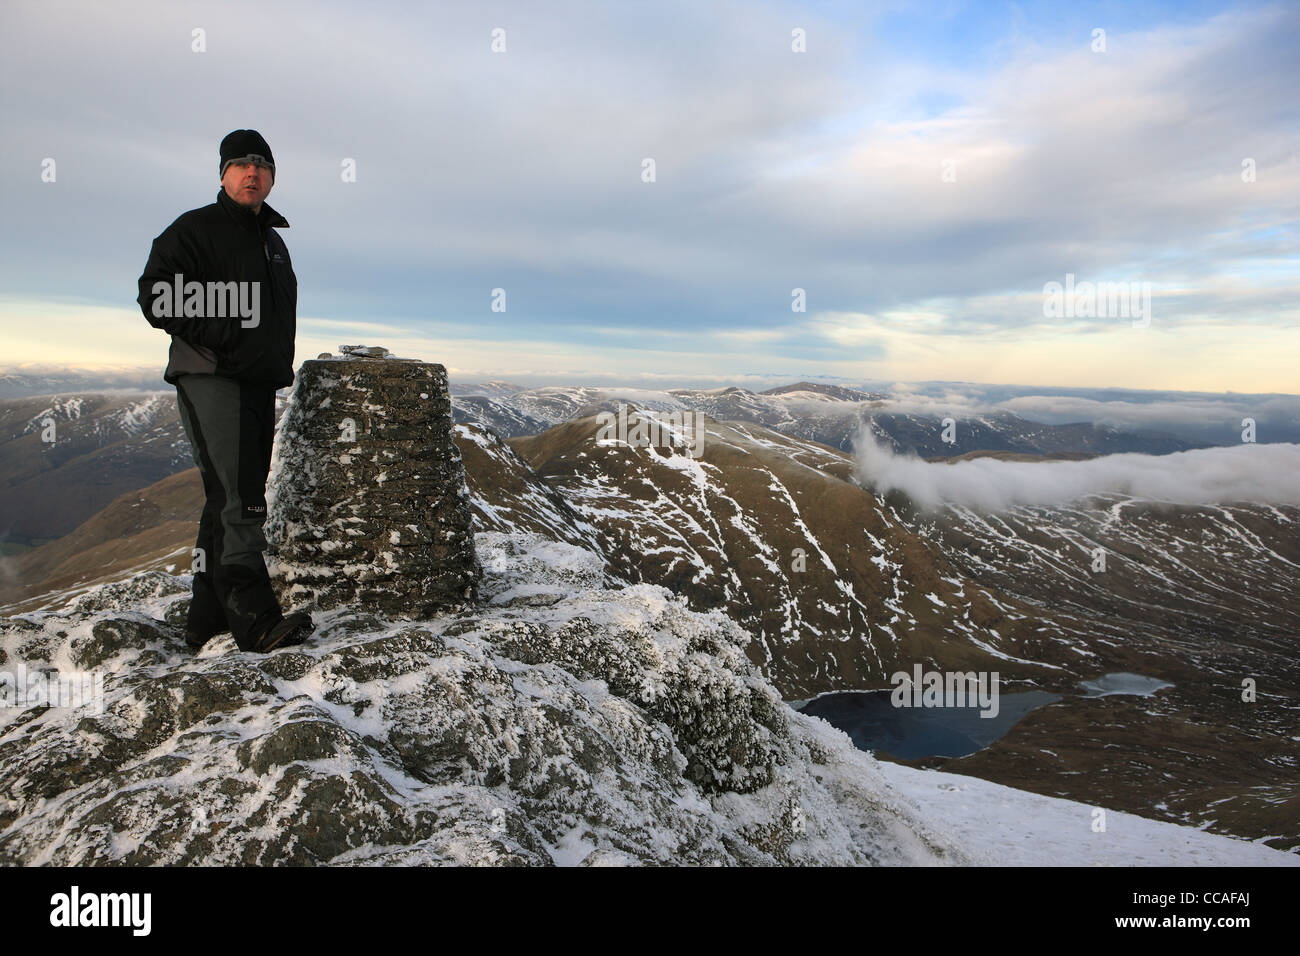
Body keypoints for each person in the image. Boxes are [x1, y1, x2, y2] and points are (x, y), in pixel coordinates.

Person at [137, 129, 313, 653]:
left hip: (256, 381)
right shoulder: (195, 230)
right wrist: (225, 338)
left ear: (272, 177)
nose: (252, 172)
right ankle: (255, 621)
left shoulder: (273, 242)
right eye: (240, 164)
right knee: (241, 500)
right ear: (223, 174)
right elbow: (156, 296)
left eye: (262, 165)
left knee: (224, 498)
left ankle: (207, 616)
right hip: (212, 376)